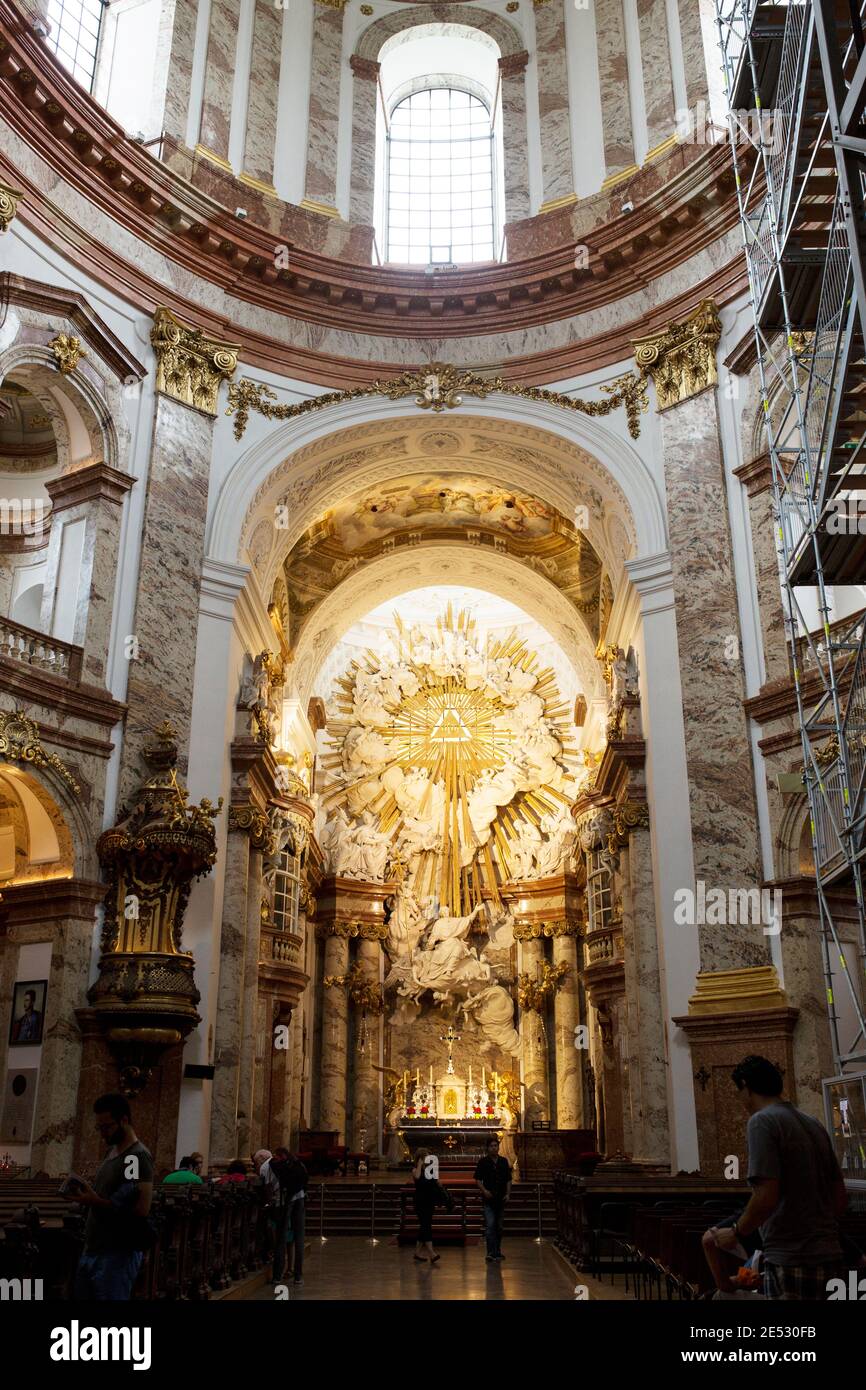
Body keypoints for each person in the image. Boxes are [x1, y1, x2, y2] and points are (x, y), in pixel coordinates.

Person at [711, 1055, 848, 1300]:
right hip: (829, 1255)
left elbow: (766, 1197)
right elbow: (839, 1196)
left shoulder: (762, 1121)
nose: (740, 1100)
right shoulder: (813, 1123)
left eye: (738, 1092)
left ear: (746, 1086)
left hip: (791, 1256)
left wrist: (736, 1232)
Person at [62, 1092, 154, 1301]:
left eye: (107, 1127)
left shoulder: (135, 1157)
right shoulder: (112, 1152)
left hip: (117, 1251)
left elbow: (140, 1208)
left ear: (124, 1120)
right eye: (99, 1127)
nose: (102, 1133)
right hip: (95, 1246)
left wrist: (93, 1201)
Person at [269, 1147, 308, 1286]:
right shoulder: (298, 1164)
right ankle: (298, 1276)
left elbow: (272, 1170)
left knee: (281, 1238)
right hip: (300, 1198)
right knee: (299, 1239)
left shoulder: (278, 1165)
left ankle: (277, 1276)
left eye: (277, 1156)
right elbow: (305, 1180)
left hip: (287, 1200)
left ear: (282, 1156)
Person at [474, 1135, 512, 1262]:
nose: (494, 1148)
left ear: (498, 1147)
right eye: (491, 1146)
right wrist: (484, 1191)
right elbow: (478, 1179)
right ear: (487, 1148)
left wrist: (508, 1193)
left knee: (499, 1226)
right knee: (490, 1225)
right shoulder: (483, 1162)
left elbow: (508, 1179)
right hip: (489, 1199)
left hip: (501, 1198)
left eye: (495, 1146)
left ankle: (498, 1250)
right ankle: (490, 1252)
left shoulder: (503, 1161)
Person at [411, 1148, 440, 1264]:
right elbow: (417, 1177)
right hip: (420, 1202)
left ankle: (417, 1253)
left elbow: (436, 1182)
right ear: (421, 1159)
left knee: (425, 1226)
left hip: (429, 1201)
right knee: (426, 1226)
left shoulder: (430, 1170)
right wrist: (419, 1165)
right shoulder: (415, 1170)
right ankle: (432, 1253)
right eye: (426, 1157)